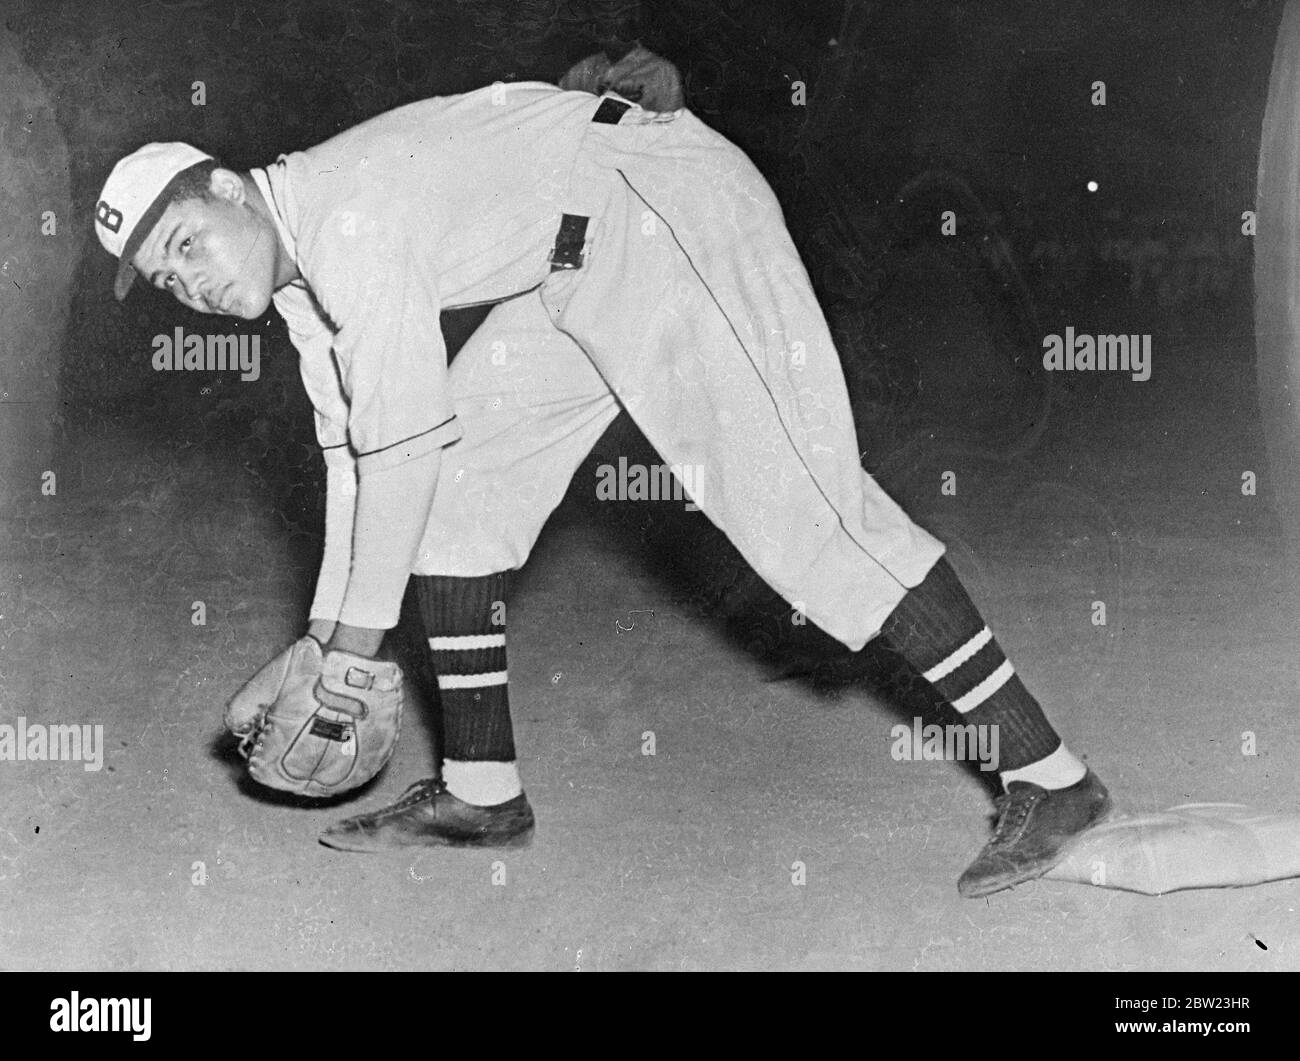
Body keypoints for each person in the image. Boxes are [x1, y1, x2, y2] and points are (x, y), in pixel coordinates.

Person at [95, 50, 1110, 898]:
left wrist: (353, 655)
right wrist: (325, 637)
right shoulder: (298, 270)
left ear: (228, 187)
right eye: (169, 280)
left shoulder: (346, 219)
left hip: (659, 207)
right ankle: (483, 790)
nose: (190, 281)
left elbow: (400, 444)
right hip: (570, 257)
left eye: (185, 241)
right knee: (459, 498)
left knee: (808, 515)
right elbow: (355, 459)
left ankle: (1049, 774)